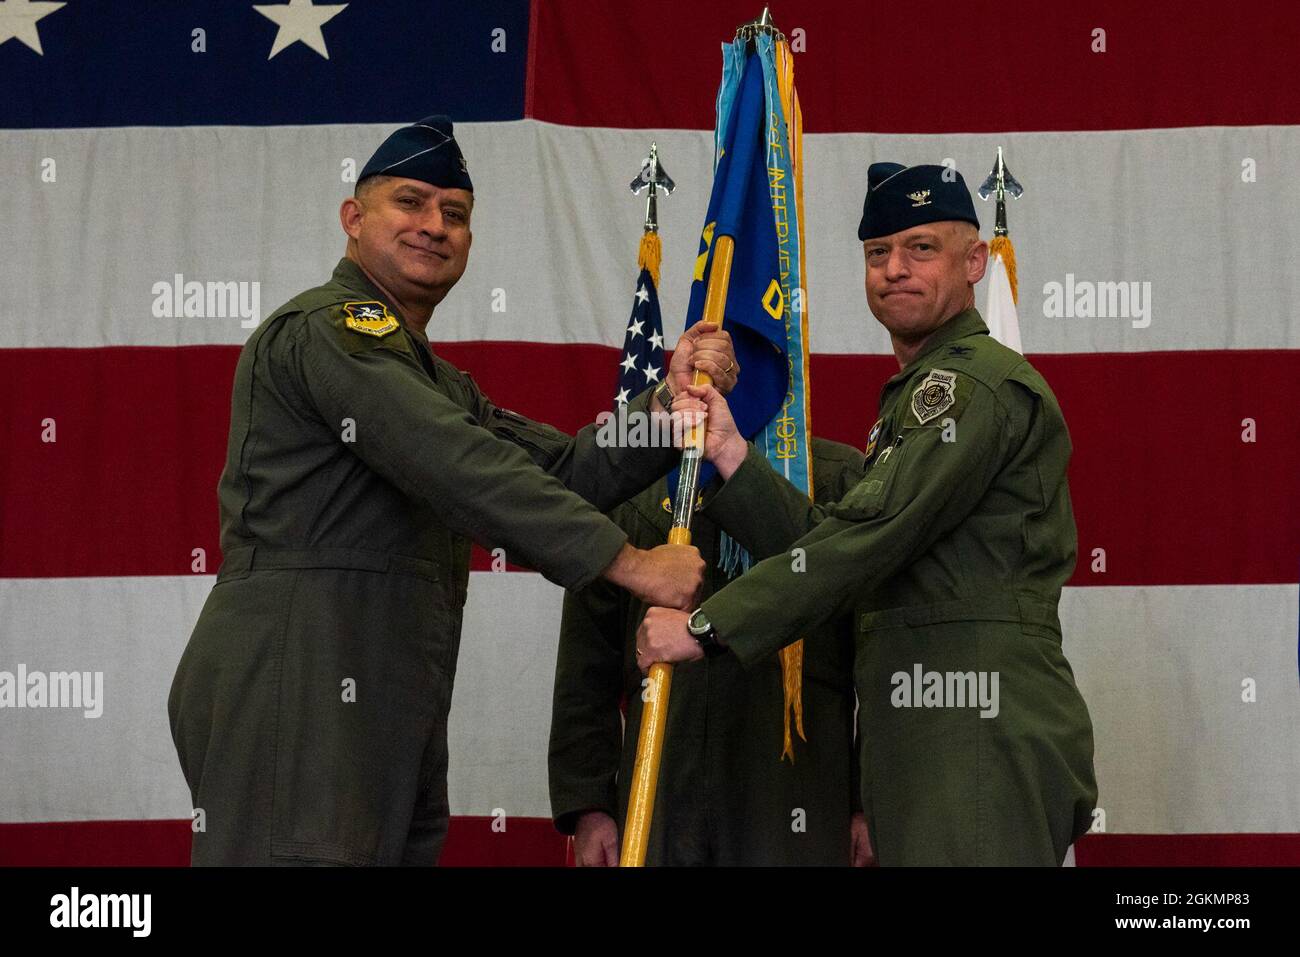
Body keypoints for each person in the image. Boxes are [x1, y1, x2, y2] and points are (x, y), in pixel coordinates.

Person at [167, 115, 737, 866]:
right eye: (410, 202)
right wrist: (630, 563)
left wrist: (666, 408)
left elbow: (561, 468)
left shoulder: (428, 378)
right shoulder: (330, 330)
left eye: (455, 213)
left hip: (377, 696)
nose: (434, 226)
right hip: (298, 684)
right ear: (354, 218)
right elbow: (457, 464)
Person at [637, 162, 1098, 866]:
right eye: (877, 252)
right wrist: (731, 452)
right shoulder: (917, 393)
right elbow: (843, 550)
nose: (894, 268)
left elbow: (866, 538)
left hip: (973, 729)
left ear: (975, 261)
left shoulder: (972, 383)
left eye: (920, 247)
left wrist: (706, 626)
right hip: (929, 734)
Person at [549, 438, 874, 866]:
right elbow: (586, 666)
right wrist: (589, 804)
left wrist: (868, 802)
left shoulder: (834, 476)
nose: (715, 372)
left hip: (798, 788)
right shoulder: (628, 479)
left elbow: (876, 655)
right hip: (662, 784)